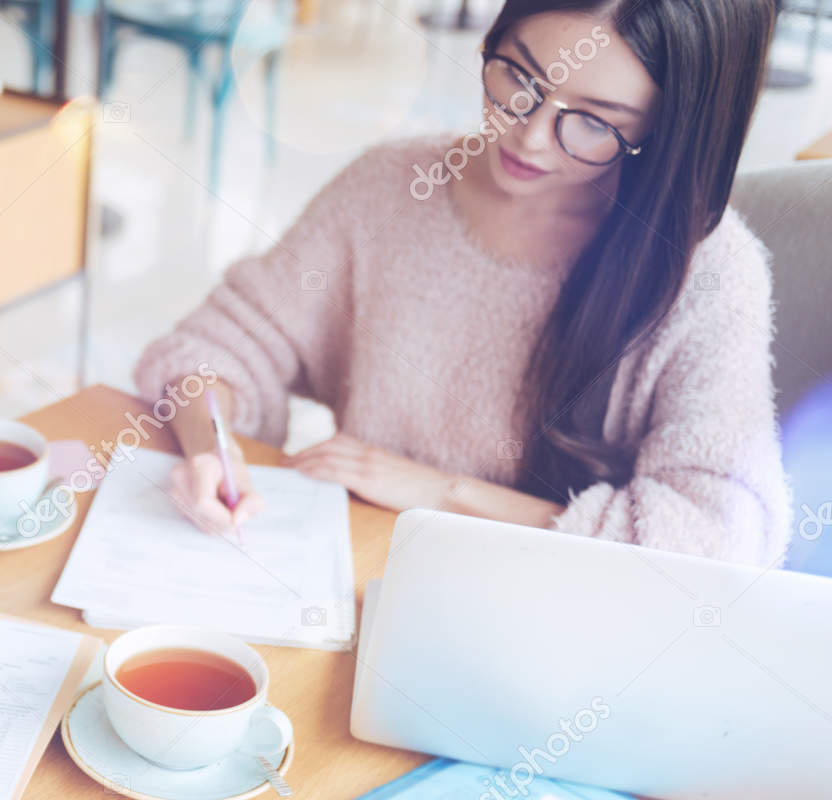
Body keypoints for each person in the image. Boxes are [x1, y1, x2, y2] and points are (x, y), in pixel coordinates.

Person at [139, 0, 789, 567]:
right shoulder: (390, 187)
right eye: (520, 76)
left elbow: (718, 537)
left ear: (665, 128)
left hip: (560, 628)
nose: (528, 137)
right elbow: (213, 349)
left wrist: (441, 494)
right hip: (367, 578)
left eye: (594, 120)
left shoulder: (706, 273)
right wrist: (210, 449)